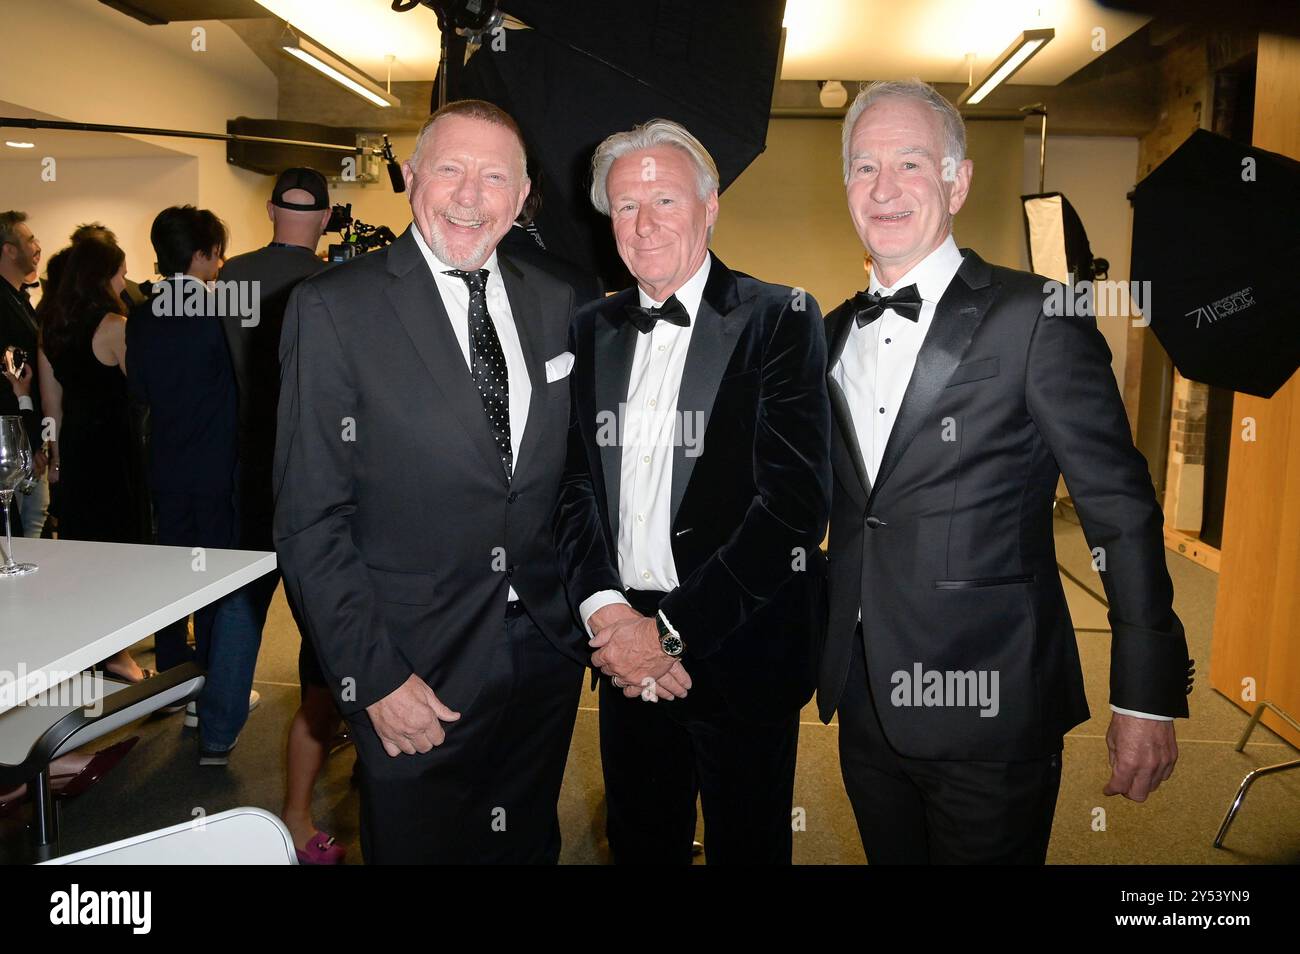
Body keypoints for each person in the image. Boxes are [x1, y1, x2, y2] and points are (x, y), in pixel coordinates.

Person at [818, 79, 1194, 864]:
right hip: (863, 697)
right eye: (863, 167)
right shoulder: (829, 332)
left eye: (911, 164)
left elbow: (1119, 509)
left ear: (957, 182)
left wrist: (1146, 692)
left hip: (992, 700)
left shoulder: (1038, 317)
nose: (883, 188)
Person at [274, 99, 588, 864]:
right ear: (412, 178)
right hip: (411, 663)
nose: (470, 196)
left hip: (543, 654)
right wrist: (371, 678)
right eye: (450, 169)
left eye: (494, 177)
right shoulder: (334, 308)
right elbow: (310, 518)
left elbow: (574, 481)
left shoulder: (559, 302)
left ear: (522, 199)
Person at [554, 119, 832, 864]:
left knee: (749, 848)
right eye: (625, 207)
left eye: (665, 201)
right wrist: (608, 615)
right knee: (640, 842)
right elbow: (573, 485)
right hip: (621, 647)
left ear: (710, 207)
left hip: (739, 648)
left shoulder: (781, 317)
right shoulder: (588, 328)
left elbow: (794, 508)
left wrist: (669, 634)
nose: (643, 225)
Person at [219, 167, 342, 862]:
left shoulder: (231, 274)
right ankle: (323, 730)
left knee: (243, 601)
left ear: (270, 209)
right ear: (324, 218)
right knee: (320, 614)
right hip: (311, 467)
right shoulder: (331, 283)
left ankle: (215, 732)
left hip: (247, 459)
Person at [127, 205, 259, 763]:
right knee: (213, 587)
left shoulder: (143, 313)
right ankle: (205, 696)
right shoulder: (218, 311)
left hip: (166, 464)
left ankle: (176, 682)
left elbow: (140, 388)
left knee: (172, 579)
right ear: (203, 254)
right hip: (214, 468)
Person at [35, 235, 149, 682]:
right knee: (120, 554)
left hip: (79, 451)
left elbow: (52, 409)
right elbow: (142, 394)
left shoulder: (52, 329)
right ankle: (118, 656)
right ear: (104, 276)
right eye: (121, 270)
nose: (126, 278)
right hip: (115, 452)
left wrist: (57, 459)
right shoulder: (115, 326)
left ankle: (95, 649)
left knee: (85, 555)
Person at [0, 211, 50, 538]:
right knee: (23, 521)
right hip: (11, 435)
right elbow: (11, 382)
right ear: (9, 250)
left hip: (26, 429)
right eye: (29, 239)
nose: (37, 246)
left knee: (34, 517)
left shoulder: (18, 298)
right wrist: (27, 441)